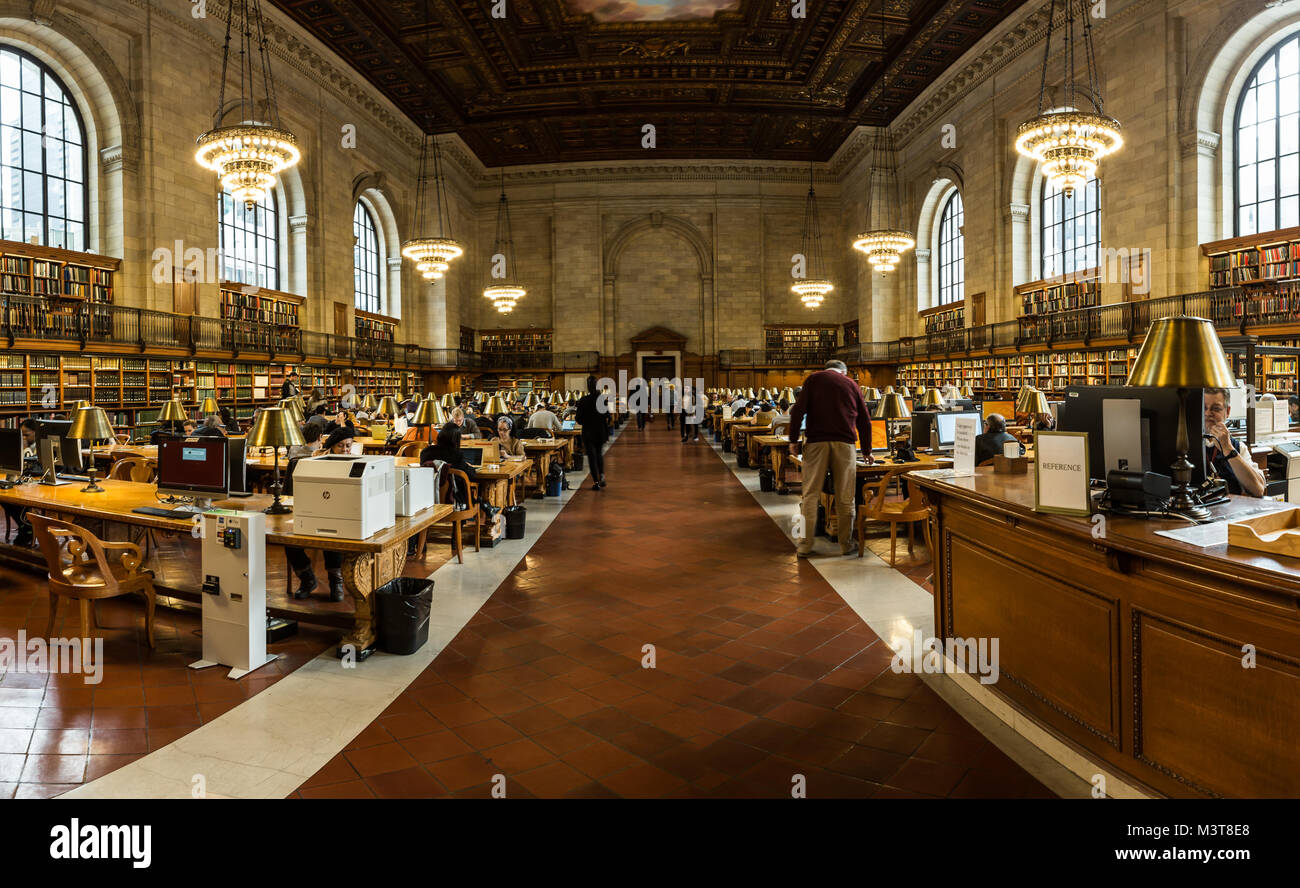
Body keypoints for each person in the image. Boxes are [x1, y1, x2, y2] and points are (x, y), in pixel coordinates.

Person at [788, 360, 872, 558]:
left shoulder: (813, 380)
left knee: (810, 495)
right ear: (843, 371)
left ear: (826, 369)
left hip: (816, 443)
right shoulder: (851, 384)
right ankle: (845, 544)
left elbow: (798, 411)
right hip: (845, 445)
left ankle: (805, 545)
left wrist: (793, 439)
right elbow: (864, 420)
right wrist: (867, 450)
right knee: (845, 496)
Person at [284, 427, 355, 601]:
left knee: (332, 534)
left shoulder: (355, 464)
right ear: (330, 447)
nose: (345, 450)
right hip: (309, 512)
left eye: (348, 446)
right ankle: (307, 578)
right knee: (288, 539)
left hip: (341, 516)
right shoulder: (311, 461)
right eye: (341, 446)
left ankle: (335, 581)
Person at [1204, 388, 1266, 497]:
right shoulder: (1184, 445)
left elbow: (1258, 489)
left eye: (1216, 408)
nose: (1208, 413)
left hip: (1230, 511)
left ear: (1227, 412)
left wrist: (1228, 448)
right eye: (1203, 408)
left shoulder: (1238, 447)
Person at [421, 423, 478, 507]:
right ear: (456, 439)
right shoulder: (456, 455)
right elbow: (471, 475)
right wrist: (468, 467)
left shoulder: (425, 452)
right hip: (451, 501)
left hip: (427, 499)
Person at [3, 420, 38, 547]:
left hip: (36, 485)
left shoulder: (38, 446)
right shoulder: (25, 446)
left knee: (16, 498)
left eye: (26, 434)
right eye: (22, 435)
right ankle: (25, 526)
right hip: (23, 482)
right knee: (6, 498)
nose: (24, 438)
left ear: (35, 433)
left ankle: (27, 529)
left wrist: (24, 448)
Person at [576, 375, 608, 490]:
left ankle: (596, 481)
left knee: (591, 457)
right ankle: (602, 474)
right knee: (599, 454)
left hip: (588, 432)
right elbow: (607, 415)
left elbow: (578, 419)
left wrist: (586, 419)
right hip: (600, 431)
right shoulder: (601, 399)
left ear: (588, 387)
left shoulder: (583, 400)